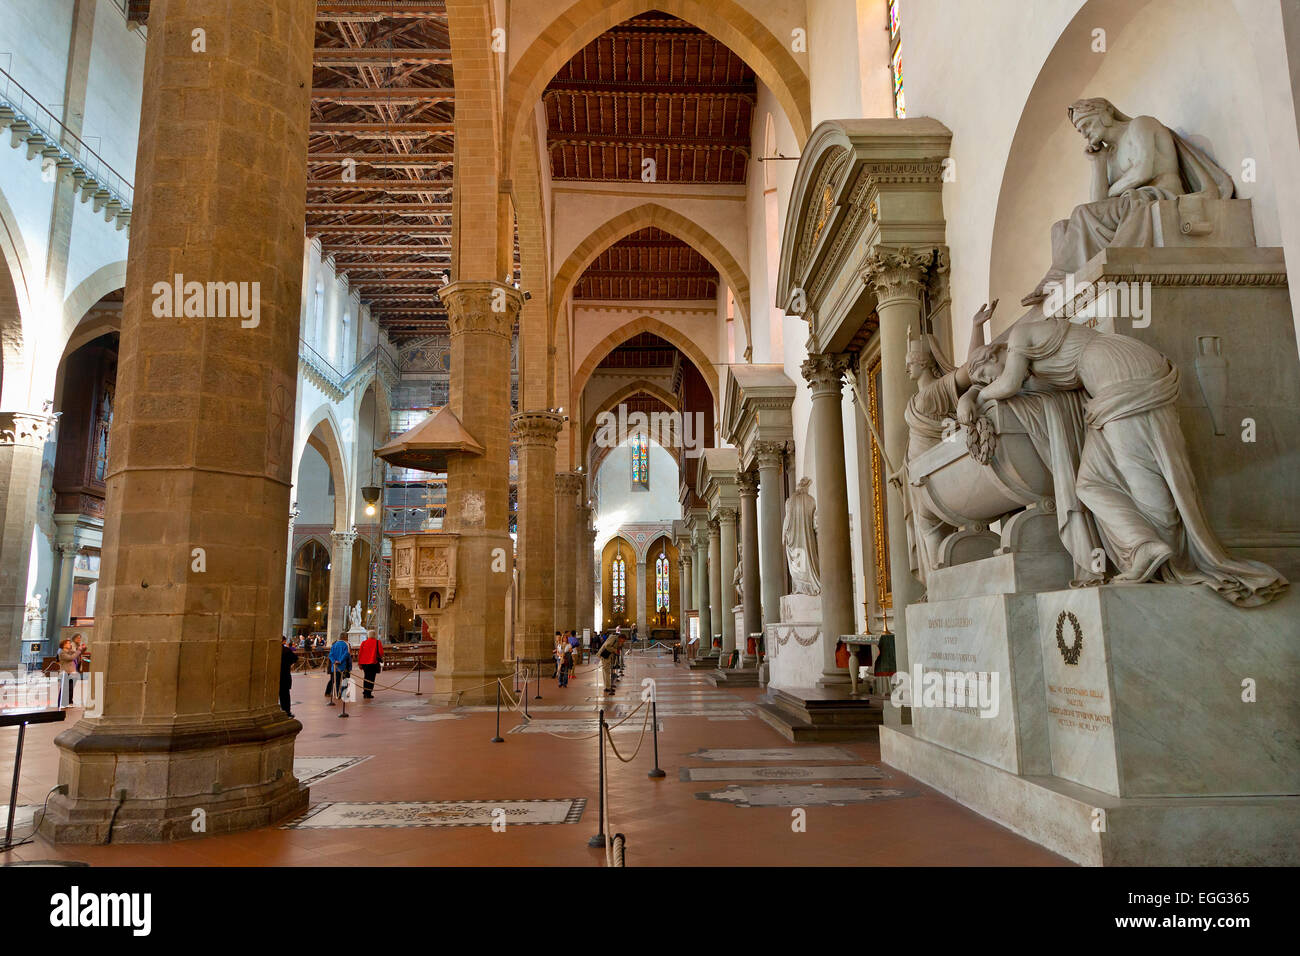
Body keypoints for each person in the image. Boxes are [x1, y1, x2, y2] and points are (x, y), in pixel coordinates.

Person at [326, 633, 352, 705]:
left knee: (336, 681)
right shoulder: (346, 644)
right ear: (345, 637)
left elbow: (331, 654)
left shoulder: (335, 644)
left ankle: (337, 693)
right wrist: (340, 660)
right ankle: (343, 694)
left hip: (334, 666)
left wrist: (334, 661)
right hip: (343, 666)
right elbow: (346, 654)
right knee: (344, 680)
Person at [358, 630, 384, 699]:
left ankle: (365, 692)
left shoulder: (363, 642)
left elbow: (360, 654)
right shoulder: (377, 642)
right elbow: (381, 653)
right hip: (373, 662)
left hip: (364, 663)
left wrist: (359, 663)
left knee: (366, 677)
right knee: (371, 678)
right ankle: (368, 693)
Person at [56, 639, 78, 707]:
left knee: (70, 688)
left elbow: (74, 652)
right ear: (63, 645)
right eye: (68, 643)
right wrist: (78, 651)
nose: (69, 644)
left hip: (72, 672)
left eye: (69, 643)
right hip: (65, 672)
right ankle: (62, 703)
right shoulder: (62, 652)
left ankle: (69, 702)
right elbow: (71, 658)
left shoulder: (69, 651)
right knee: (64, 688)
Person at [279, 636, 297, 717]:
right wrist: (289, 664)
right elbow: (295, 658)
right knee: (285, 695)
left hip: (274, 676)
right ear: (283, 641)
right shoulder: (286, 650)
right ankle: (286, 711)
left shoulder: (273, 650)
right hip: (285, 675)